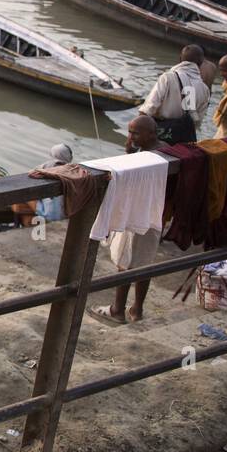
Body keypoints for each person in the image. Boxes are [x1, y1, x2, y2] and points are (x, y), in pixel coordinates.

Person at [94, 116, 164, 323]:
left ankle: (117, 309)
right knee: (144, 263)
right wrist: (130, 153)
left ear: (151, 133)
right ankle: (137, 309)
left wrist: (127, 158)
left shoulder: (149, 155)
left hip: (137, 215)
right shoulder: (163, 150)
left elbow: (127, 178)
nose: (130, 137)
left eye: (135, 133)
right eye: (129, 132)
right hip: (153, 214)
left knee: (125, 263)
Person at [140, 46, 210, 144]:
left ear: (180, 59)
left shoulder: (167, 77)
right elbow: (197, 122)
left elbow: (148, 109)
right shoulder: (205, 89)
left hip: (159, 137)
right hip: (183, 142)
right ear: (201, 63)